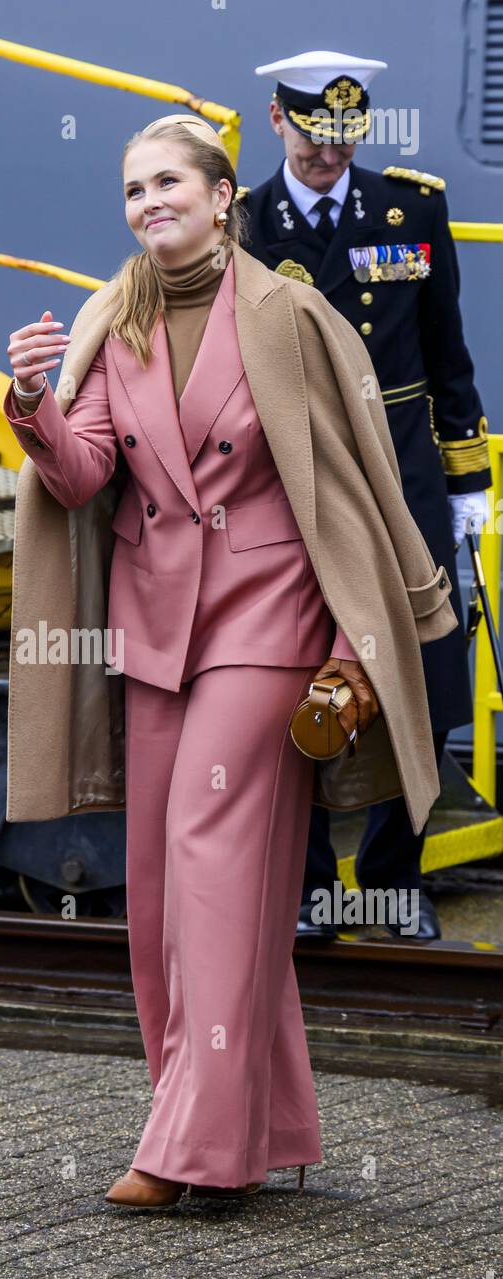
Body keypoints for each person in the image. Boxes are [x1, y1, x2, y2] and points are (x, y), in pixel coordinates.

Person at [1, 114, 459, 1207]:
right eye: (130, 188)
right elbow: (82, 475)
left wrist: (360, 639)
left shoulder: (289, 313)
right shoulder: (113, 322)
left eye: (167, 181)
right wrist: (30, 404)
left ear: (219, 198)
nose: (147, 200)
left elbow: (351, 481)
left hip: (265, 625)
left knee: (213, 870)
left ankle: (184, 1151)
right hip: (155, 632)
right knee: (166, 897)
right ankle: (248, 1125)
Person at [242, 51, 492, 941]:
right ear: (278, 120)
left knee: (416, 677)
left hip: (404, 473)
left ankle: (394, 883)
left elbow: (446, 349)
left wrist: (469, 483)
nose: (329, 154)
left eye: (345, 137)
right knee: (295, 674)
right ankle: (310, 891)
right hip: (296, 476)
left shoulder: (412, 209)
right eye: (314, 136)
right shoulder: (242, 223)